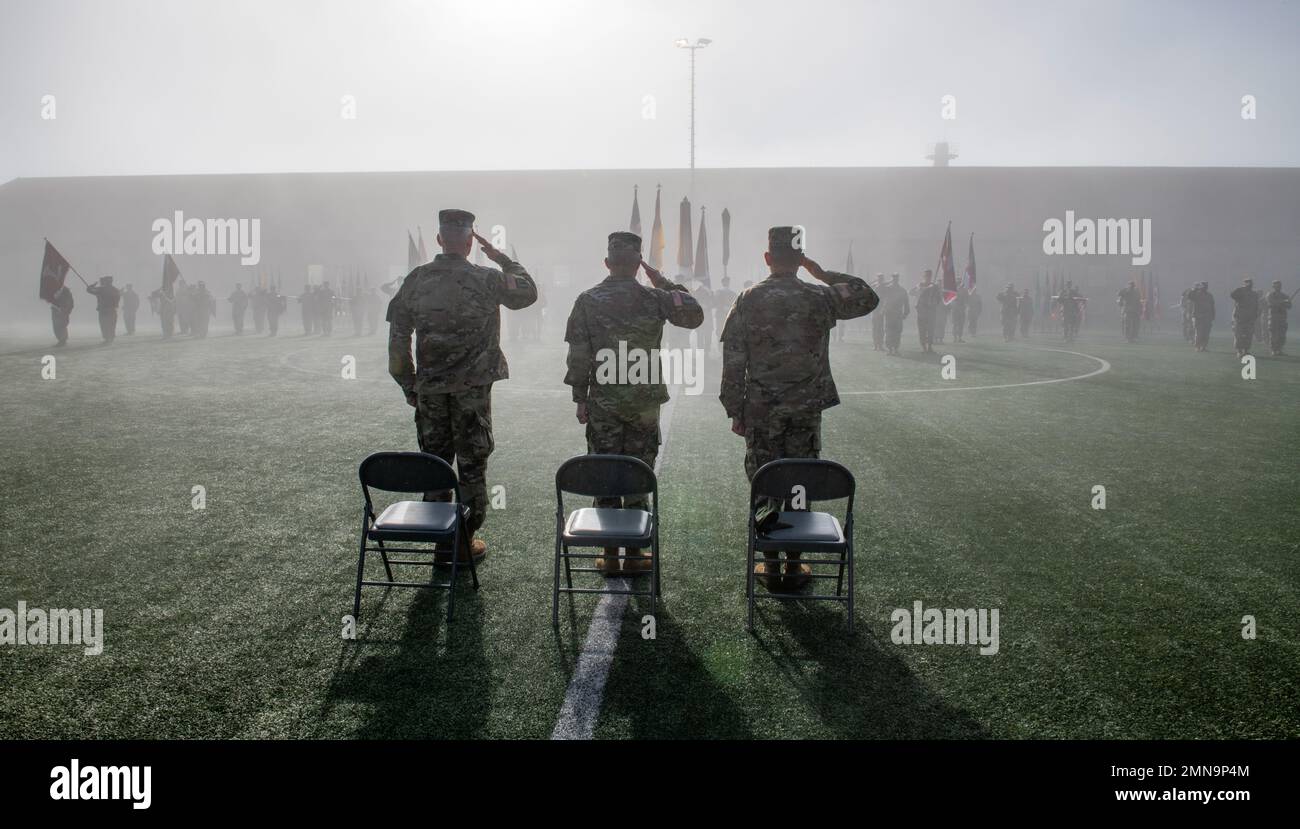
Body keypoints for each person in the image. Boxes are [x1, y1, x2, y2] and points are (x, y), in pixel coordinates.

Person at [720, 227, 878, 592]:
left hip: (761, 408)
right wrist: (821, 273)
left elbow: (733, 358)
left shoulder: (748, 299)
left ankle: (770, 562)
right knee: (800, 482)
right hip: (805, 409)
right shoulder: (819, 296)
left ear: (768, 258)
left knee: (764, 480)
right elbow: (867, 297)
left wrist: (735, 409)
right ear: (800, 259)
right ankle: (794, 561)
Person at [387, 208, 537, 565]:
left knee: (435, 464)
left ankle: (442, 543)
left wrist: (410, 385)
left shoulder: (416, 280)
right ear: (471, 243)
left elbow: (397, 339)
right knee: (472, 467)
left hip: (430, 392)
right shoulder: (487, 278)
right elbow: (528, 293)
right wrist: (500, 256)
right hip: (472, 394)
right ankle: (464, 541)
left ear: (439, 240)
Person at [563, 232, 702, 575]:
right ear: (639, 264)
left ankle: (610, 554)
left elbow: (578, 356)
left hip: (604, 403)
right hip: (642, 404)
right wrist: (661, 279)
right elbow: (694, 314)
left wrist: (580, 398)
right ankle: (637, 554)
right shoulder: (655, 297)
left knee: (605, 474)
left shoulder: (587, 299)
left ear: (607, 263)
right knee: (640, 473)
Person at [1229, 277, 1260, 358]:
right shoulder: (1240, 292)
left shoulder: (1254, 294)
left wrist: (1256, 314)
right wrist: (1241, 288)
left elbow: (1256, 305)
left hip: (1250, 318)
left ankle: (1246, 350)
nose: (1248, 284)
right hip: (1239, 317)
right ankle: (1239, 351)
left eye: (1250, 282)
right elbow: (1232, 295)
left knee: (1249, 335)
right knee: (1238, 334)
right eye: (1246, 282)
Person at [86, 276, 121, 344]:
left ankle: (107, 337)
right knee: (111, 324)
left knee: (104, 324)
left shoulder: (101, 289)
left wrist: (92, 285)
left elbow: (89, 290)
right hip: (112, 310)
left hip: (103, 310)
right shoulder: (115, 290)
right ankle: (110, 337)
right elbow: (117, 299)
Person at [882, 272, 909, 356]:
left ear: (898, 279)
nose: (895, 280)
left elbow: (906, 303)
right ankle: (890, 349)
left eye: (896, 278)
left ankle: (896, 349)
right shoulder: (887, 289)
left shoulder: (902, 290)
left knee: (897, 332)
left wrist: (905, 313)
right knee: (889, 332)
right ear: (891, 279)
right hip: (889, 314)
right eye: (893, 278)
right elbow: (879, 291)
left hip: (897, 314)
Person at [913, 270, 940, 353]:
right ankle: (924, 347)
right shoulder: (920, 285)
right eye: (926, 276)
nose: (927, 277)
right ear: (924, 276)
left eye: (929, 276)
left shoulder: (934, 287)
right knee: (922, 330)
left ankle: (930, 347)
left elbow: (938, 298)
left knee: (931, 330)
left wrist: (933, 302)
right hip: (921, 312)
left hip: (931, 312)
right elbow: (912, 292)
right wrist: (926, 288)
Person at [1264, 280, 1291, 356]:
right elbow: (1271, 303)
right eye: (1276, 286)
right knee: (1274, 334)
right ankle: (1274, 350)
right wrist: (1283, 302)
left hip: (1282, 317)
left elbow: (1289, 306)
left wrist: (1288, 302)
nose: (1278, 287)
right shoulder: (1270, 295)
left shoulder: (1284, 295)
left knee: (1282, 335)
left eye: (1279, 286)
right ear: (1273, 287)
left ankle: (1279, 350)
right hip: (1274, 317)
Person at [1190, 281, 1215, 352]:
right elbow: (1190, 296)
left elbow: (1212, 306)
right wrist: (1194, 288)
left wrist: (1213, 315)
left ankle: (1203, 347)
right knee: (1199, 333)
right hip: (1198, 317)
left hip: (1207, 317)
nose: (1205, 287)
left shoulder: (1210, 295)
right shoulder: (1196, 294)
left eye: (1206, 286)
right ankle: (1197, 347)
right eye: (1204, 286)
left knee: (1206, 333)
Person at [870, 273, 886, 350]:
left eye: (881, 278)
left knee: (881, 329)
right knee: (875, 329)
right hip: (875, 310)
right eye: (879, 278)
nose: (880, 279)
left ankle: (880, 345)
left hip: (881, 310)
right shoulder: (875, 286)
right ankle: (876, 345)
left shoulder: (884, 287)